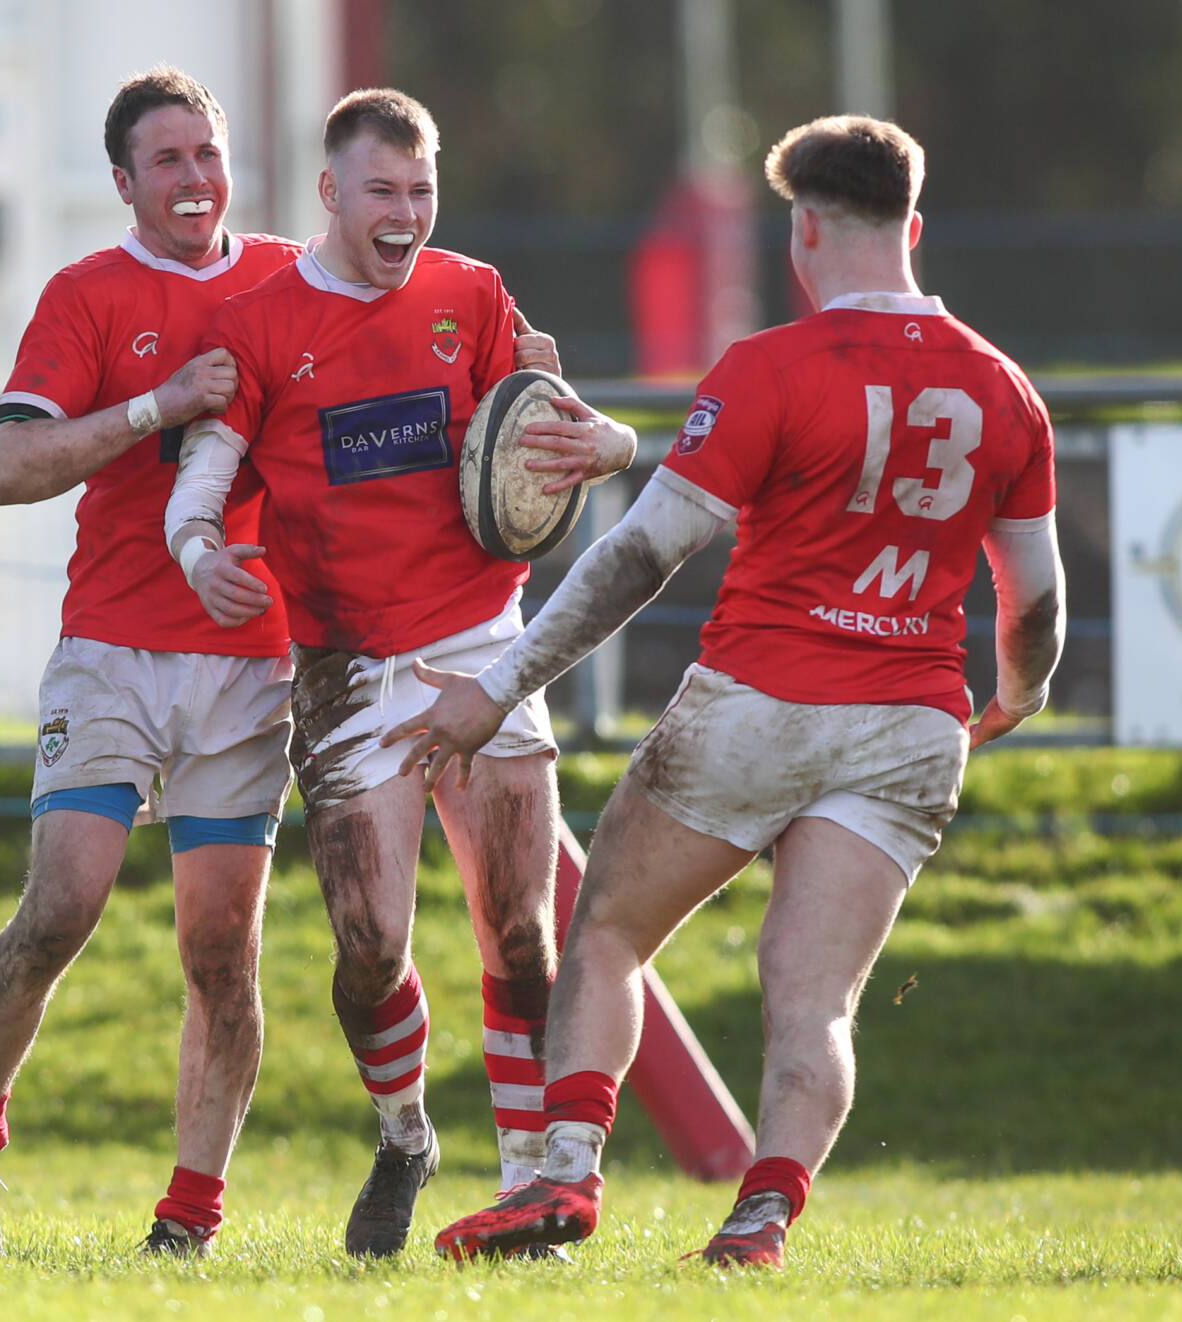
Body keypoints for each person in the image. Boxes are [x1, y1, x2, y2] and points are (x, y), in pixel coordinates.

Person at [390, 115, 1067, 1269]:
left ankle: (563, 1178)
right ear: (910, 228)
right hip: (910, 725)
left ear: (800, 229)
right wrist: (1011, 695)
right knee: (815, 1004)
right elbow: (1035, 598)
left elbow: (635, 560)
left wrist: (497, 685)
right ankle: (761, 1215)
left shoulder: (768, 368)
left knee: (605, 931)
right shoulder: (1003, 389)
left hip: (755, 703)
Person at [163, 87, 632, 1257]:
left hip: (482, 639)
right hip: (344, 668)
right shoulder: (266, 323)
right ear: (330, 193)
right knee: (367, 945)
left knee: (518, 930)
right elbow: (201, 478)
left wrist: (605, 442)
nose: (405, 213)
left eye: (421, 192)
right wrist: (198, 547)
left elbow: (553, 422)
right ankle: (406, 1132)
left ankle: (527, 1183)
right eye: (383, 191)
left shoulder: (472, 296)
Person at [0, 66, 306, 1260]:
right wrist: (154, 404)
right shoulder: (86, 296)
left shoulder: (296, 281)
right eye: (167, 161)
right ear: (124, 182)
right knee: (62, 905)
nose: (193, 180)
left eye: (207, 154)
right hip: (111, 652)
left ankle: (188, 1222)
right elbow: (4, 468)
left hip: (249, 663)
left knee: (218, 951)